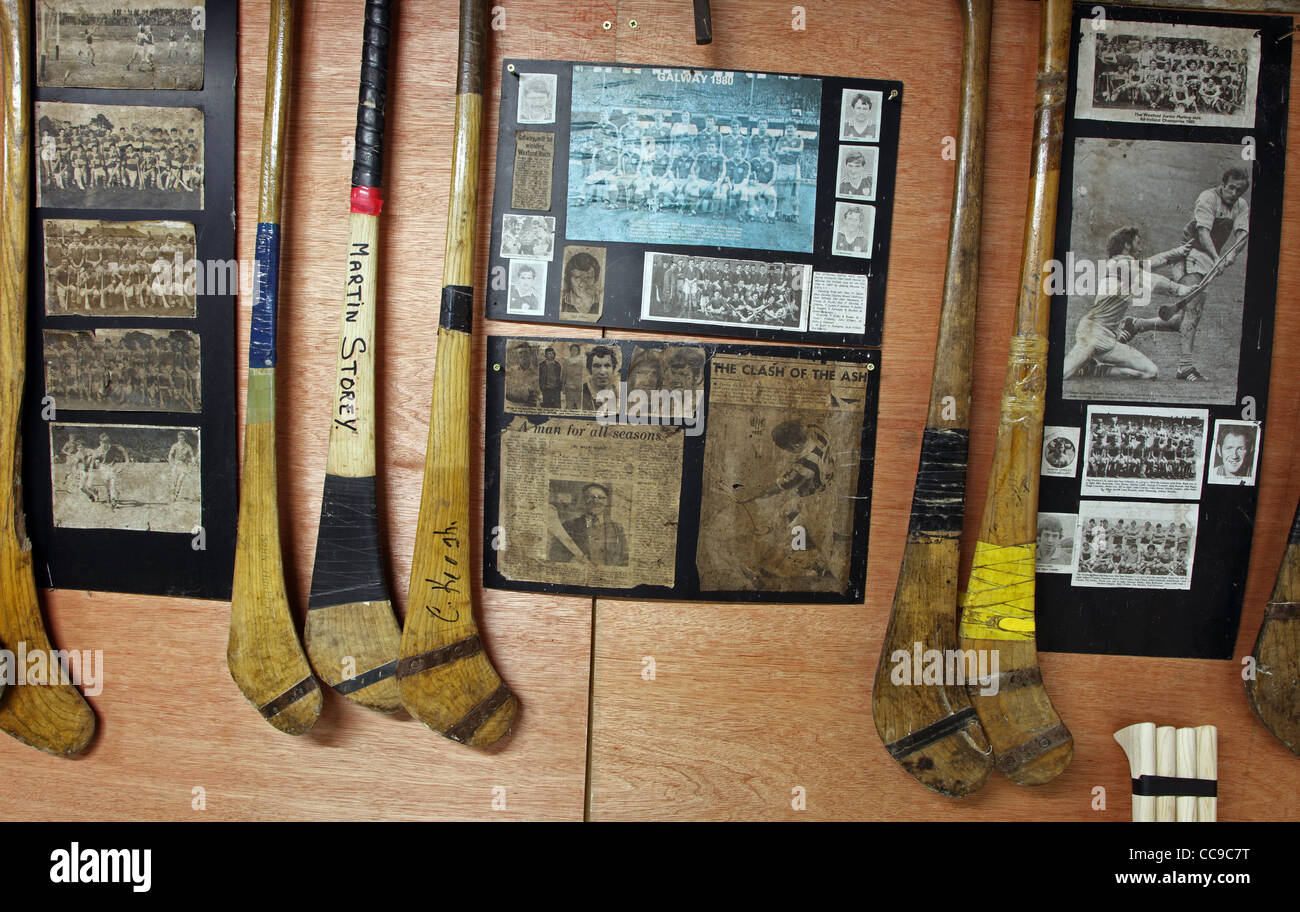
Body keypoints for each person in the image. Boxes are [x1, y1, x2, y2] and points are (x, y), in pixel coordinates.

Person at [1120, 167, 1250, 382]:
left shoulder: (1240, 205)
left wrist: (1233, 254)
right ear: (1223, 184)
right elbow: (1202, 232)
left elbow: (1242, 234)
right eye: (1231, 188)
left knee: (1182, 319)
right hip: (1191, 255)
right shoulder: (1208, 198)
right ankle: (1185, 367)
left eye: (1239, 190)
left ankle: (1135, 325)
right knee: (1193, 311)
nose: (1234, 194)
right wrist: (1218, 258)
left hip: (1209, 261)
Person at [1062, 226, 1196, 380]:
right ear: (1127, 245)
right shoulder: (1119, 265)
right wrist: (1179, 289)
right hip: (1092, 333)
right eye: (1137, 242)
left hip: (1109, 339)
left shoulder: (1127, 264)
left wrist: (1179, 252)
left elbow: (1153, 261)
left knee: (1151, 372)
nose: (1141, 247)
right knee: (1063, 373)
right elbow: (1148, 280)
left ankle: (1093, 370)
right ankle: (1083, 367)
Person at [548, 483, 628, 565]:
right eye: (591, 497)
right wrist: (570, 561)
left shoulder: (617, 528)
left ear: (607, 501)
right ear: (583, 500)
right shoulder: (568, 526)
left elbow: (625, 558)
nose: (596, 501)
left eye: (601, 498)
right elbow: (554, 553)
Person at [560, 251, 602, 317]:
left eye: (588, 278)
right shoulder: (561, 304)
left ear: (595, 279)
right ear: (568, 279)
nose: (582, 284)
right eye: (577, 278)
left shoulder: (601, 304)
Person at [581, 345, 619, 411]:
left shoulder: (619, 394)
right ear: (589, 369)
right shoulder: (580, 392)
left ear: (613, 369)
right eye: (597, 366)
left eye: (607, 366)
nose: (602, 371)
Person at [168, 431, 195, 500]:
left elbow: (192, 455)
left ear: (184, 438)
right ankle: (172, 494)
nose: (180, 439)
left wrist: (193, 461)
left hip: (184, 464)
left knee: (180, 480)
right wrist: (171, 462)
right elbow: (170, 454)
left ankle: (176, 493)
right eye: (179, 438)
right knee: (174, 479)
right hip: (176, 464)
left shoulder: (188, 446)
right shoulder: (175, 445)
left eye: (182, 438)